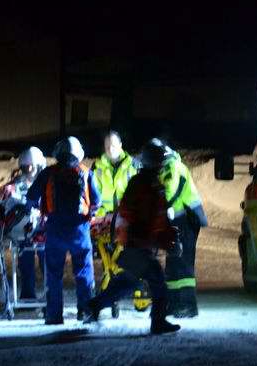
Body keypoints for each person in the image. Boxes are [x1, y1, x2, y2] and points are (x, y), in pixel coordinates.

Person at [80, 140, 180, 335]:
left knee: (127, 283)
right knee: (157, 279)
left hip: (139, 243)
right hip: (138, 243)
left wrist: (165, 239)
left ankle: (93, 306)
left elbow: (156, 218)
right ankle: (158, 321)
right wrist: (159, 238)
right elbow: (138, 215)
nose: (161, 164)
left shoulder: (147, 184)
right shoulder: (145, 185)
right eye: (159, 160)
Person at [26, 136, 100, 325]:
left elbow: (31, 197)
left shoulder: (48, 173)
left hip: (55, 230)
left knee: (53, 274)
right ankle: (85, 311)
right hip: (80, 231)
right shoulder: (86, 173)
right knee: (84, 272)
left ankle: (54, 315)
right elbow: (97, 201)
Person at [157, 140, 208, 317]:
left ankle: (188, 306)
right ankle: (173, 303)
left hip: (186, 219)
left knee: (183, 262)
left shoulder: (173, 166)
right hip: (176, 221)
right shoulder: (164, 169)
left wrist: (160, 207)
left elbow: (171, 191)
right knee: (172, 262)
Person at [14, 146, 46, 299]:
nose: (30, 170)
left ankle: (51, 298)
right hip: (24, 230)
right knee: (25, 264)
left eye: (33, 166)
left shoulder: (47, 183)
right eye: (27, 167)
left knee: (48, 264)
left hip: (44, 230)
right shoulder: (17, 185)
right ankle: (27, 296)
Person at [92, 130, 138, 217]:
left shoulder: (133, 165)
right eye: (107, 147)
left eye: (113, 145)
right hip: (104, 216)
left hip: (127, 215)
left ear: (120, 145)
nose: (110, 149)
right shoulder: (97, 167)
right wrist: (100, 214)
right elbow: (95, 193)